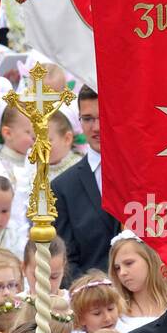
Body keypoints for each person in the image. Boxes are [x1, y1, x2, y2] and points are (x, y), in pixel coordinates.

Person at [54, 87, 121, 276]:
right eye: (88, 119)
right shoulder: (63, 188)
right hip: (90, 299)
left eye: (103, 117)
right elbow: (66, 261)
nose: (96, 127)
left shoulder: (142, 175)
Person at [108, 231, 167, 332]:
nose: (122, 272)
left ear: (150, 260)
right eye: (117, 268)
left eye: (129, 263)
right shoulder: (114, 311)